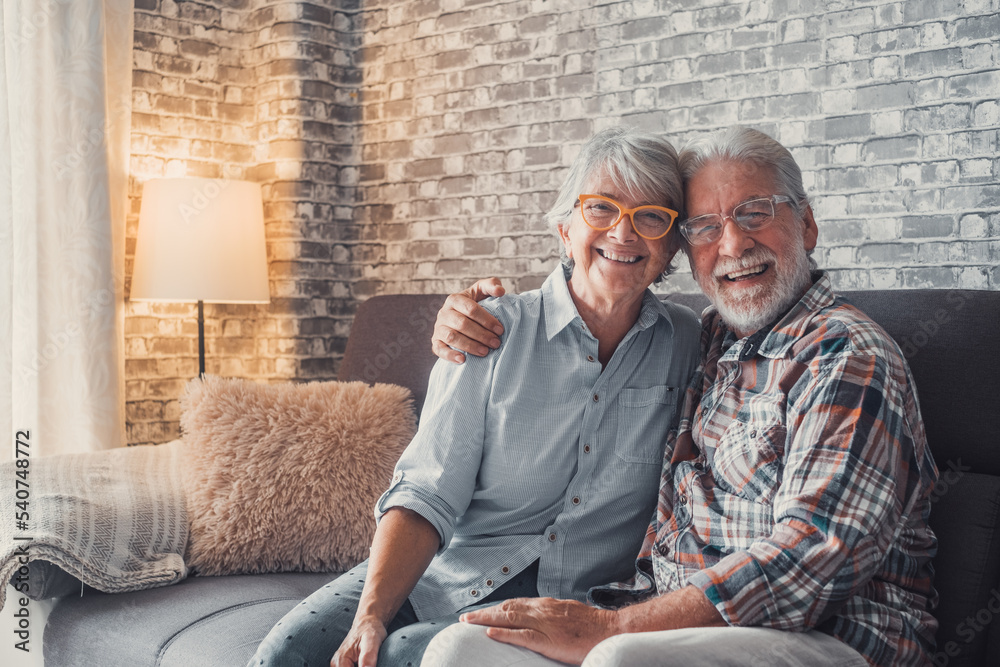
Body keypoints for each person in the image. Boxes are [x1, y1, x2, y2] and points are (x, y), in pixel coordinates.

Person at [422, 126, 939, 666]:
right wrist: (471, 318)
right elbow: (595, 310)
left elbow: (815, 555)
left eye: (755, 213)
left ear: (806, 225)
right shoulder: (708, 339)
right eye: (705, 227)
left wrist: (613, 626)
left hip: (833, 637)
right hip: (668, 625)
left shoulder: (845, 354)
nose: (733, 245)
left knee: (619, 660)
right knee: (461, 649)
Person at [248, 127, 701, 667]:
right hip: (444, 571)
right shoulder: (490, 330)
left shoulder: (691, 342)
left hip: (573, 600)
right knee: (287, 653)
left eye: (651, 216)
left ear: (672, 246)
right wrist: (371, 613)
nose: (623, 232)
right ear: (565, 229)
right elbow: (428, 491)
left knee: (407, 655)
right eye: (601, 208)